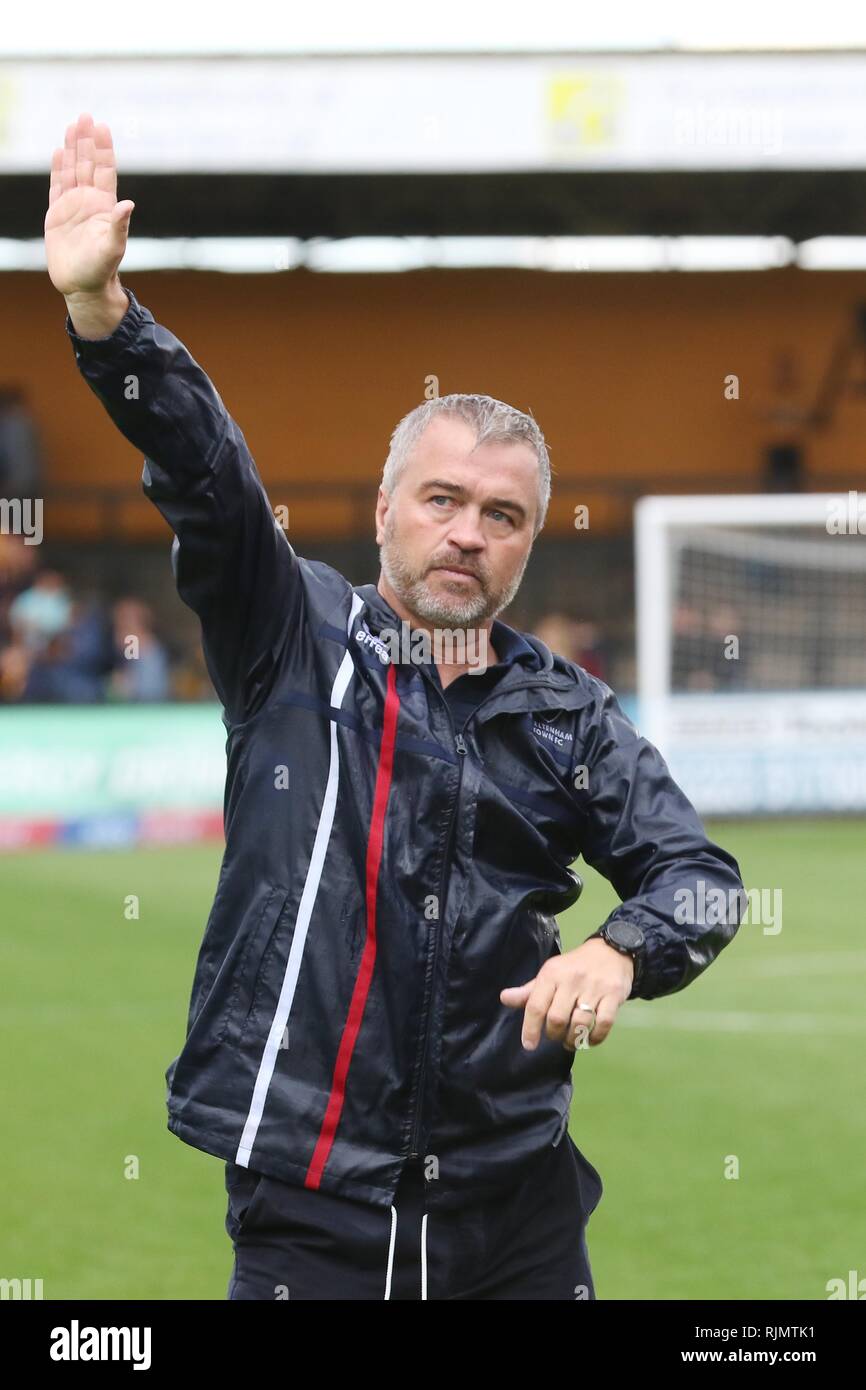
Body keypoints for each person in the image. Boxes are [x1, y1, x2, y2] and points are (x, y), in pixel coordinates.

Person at [48, 111, 746, 1301]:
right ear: (383, 512)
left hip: (514, 1206)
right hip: (312, 1200)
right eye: (441, 498)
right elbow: (210, 477)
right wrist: (109, 321)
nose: (466, 531)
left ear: (528, 544)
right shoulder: (289, 632)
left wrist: (624, 952)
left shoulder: (566, 713)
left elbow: (699, 874)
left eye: (502, 514)